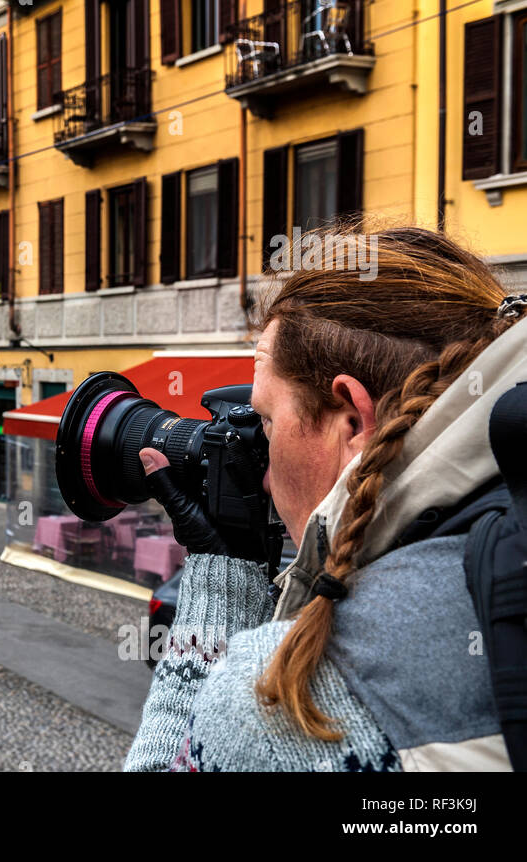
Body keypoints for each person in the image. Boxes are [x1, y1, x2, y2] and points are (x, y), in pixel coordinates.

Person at [124, 225, 526, 771]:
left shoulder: (289, 697)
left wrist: (222, 581)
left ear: (353, 419)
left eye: (266, 420)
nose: (263, 473)